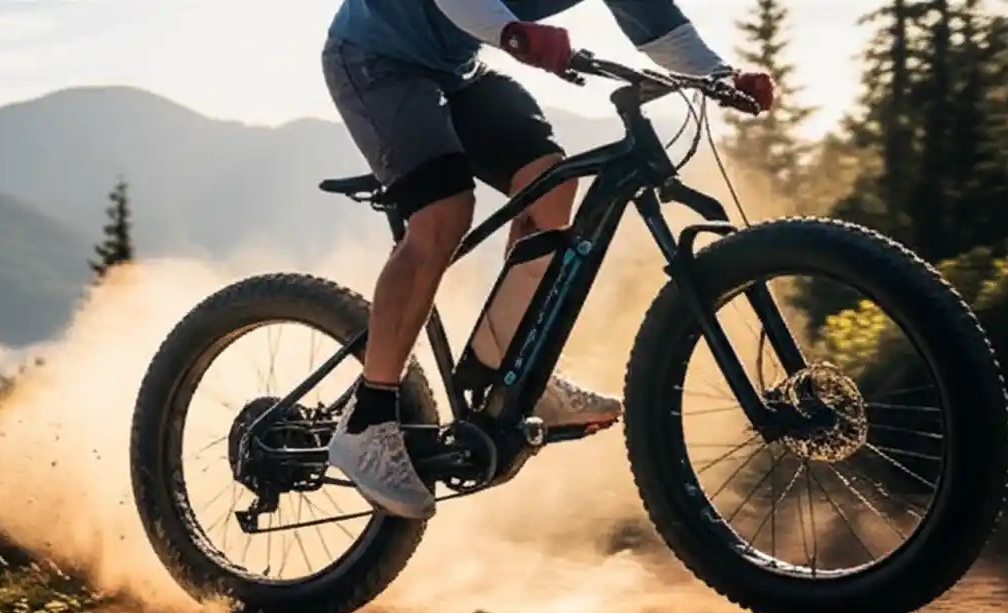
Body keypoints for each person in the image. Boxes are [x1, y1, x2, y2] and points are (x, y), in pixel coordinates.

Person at [322, 0, 776, 520]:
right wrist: (513, 33)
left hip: (455, 67)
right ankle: (369, 420)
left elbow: (653, 19)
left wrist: (720, 75)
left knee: (550, 188)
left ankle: (511, 372)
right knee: (444, 213)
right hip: (375, 59)